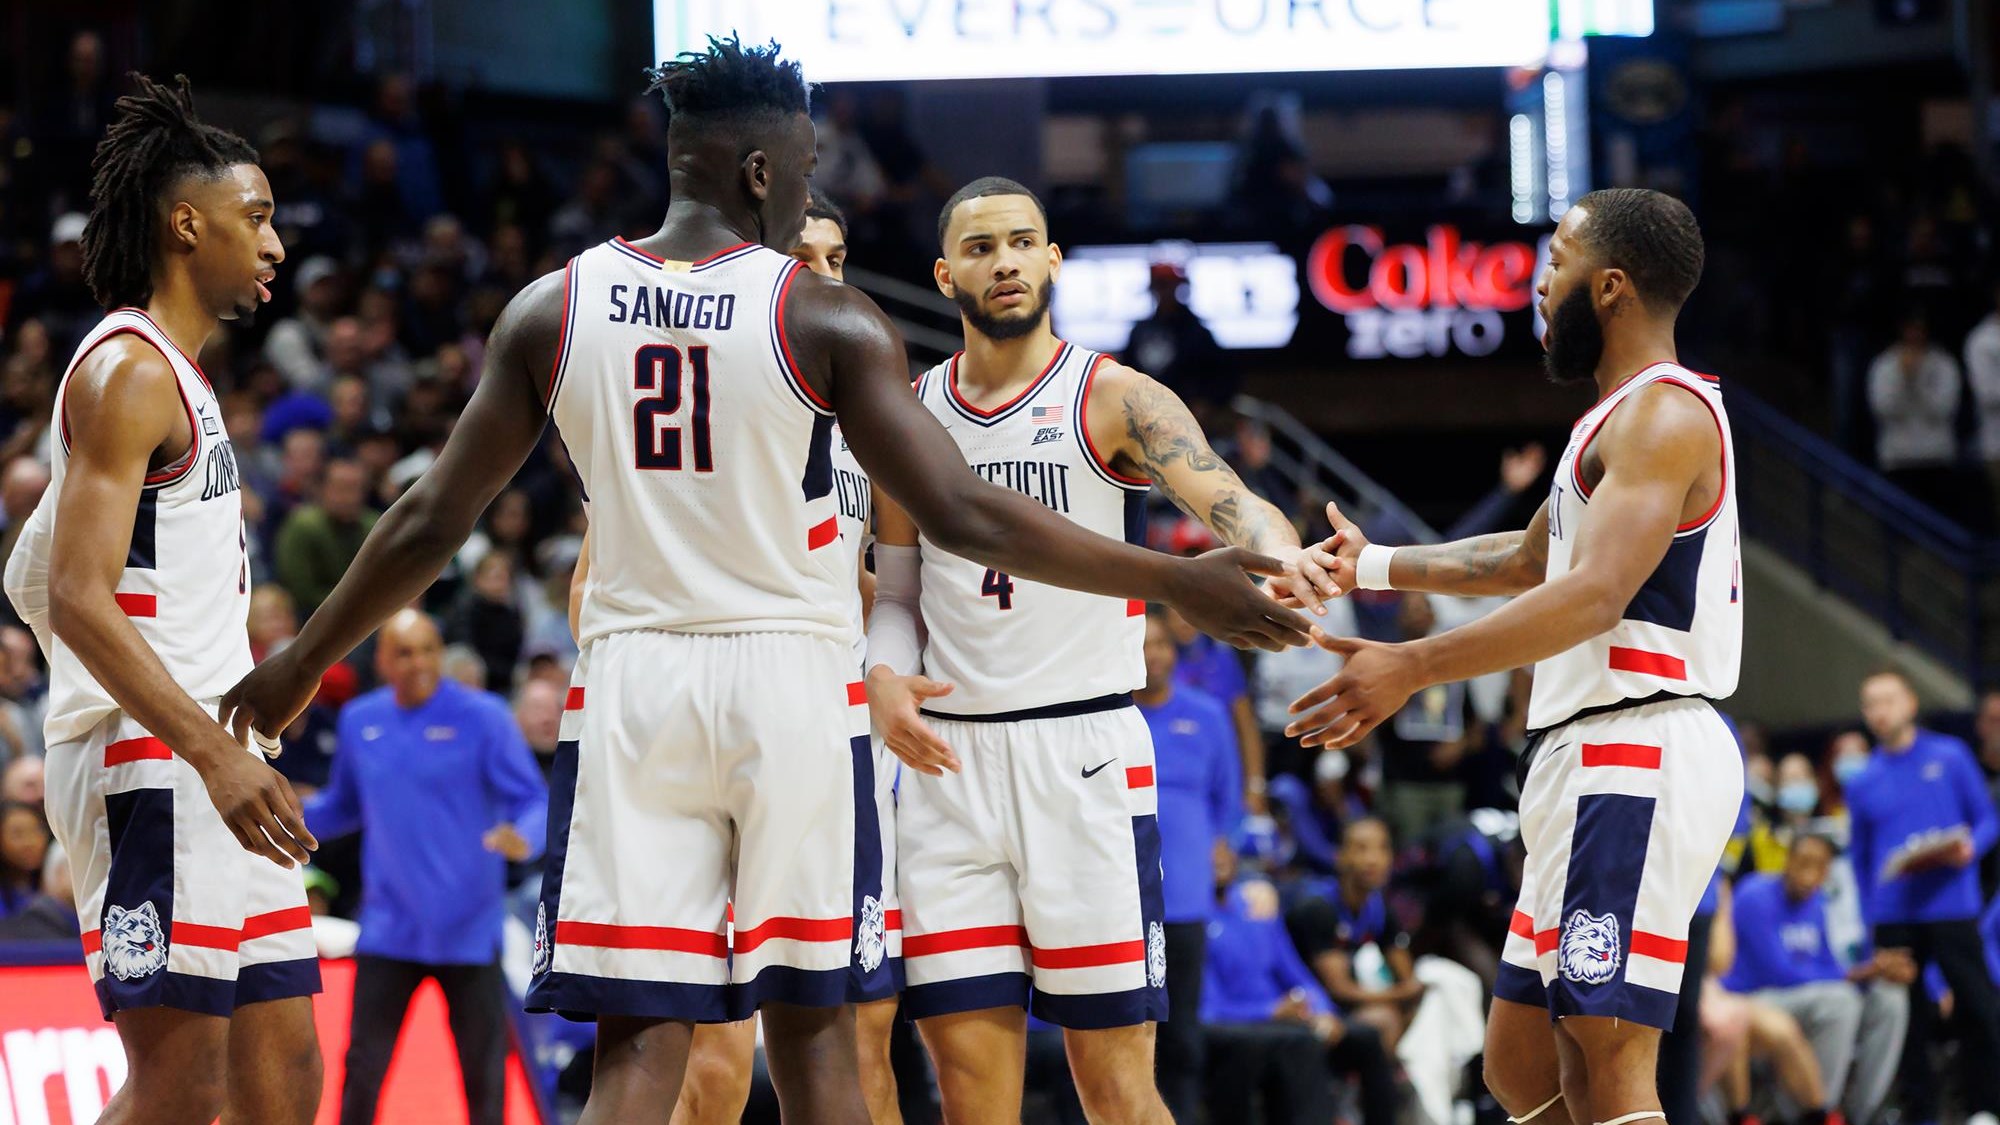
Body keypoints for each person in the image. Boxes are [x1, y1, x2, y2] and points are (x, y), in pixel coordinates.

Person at [220, 38, 1308, 1125]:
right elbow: (963, 514)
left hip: (634, 685)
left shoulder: (552, 307)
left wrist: (301, 662)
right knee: (817, 1043)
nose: (806, 190)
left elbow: (426, 520)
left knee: (638, 1054)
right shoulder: (820, 315)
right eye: (800, 166)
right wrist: (1176, 580)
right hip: (790, 686)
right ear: (756, 172)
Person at [862, 174, 1335, 1125]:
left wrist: (1288, 557)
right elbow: (900, 591)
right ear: (945, 272)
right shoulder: (905, 416)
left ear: (1052, 260)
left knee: (1116, 1088)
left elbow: (1228, 499)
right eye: (982, 247)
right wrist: (881, 673)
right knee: (969, 1095)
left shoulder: (1115, 396)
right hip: (949, 768)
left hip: (1081, 756)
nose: (1004, 262)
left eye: (1021, 242)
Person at [1293, 188, 1742, 1125]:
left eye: (1557, 262)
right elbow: (1533, 558)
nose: (1541, 285)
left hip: (1639, 750)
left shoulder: (1665, 415)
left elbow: (1591, 594)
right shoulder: (1611, 420)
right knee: (1521, 1062)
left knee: (1612, 1066)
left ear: (1611, 286)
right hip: (1582, 755)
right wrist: (1368, 564)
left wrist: (1413, 664)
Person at [2, 73, 323, 1125]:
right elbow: (72, 594)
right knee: (182, 1095)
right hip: (159, 764)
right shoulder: (127, 372)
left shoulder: (176, 377)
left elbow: (28, 570)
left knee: (282, 1086)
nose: (275, 245)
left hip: (208, 750)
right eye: (257, 216)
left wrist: (243, 702)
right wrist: (209, 745)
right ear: (187, 223)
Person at [303, 609, 546, 1125]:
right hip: (390, 929)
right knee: (362, 1071)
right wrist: (282, 819)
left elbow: (533, 800)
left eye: (429, 649)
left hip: (469, 930)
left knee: (484, 1080)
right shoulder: (359, 721)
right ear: (383, 661)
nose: (419, 662)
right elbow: (342, 807)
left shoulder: (483, 717)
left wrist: (523, 837)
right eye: (405, 652)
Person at [1846, 667, 2000, 1121]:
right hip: (1894, 913)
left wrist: (1969, 851)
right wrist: (1867, 918)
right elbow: (1859, 859)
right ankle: (1921, 1113)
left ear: (1910, 703)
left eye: (1888, 700)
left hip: (1952, 906)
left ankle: (1985, 1108)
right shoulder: (1863, 779)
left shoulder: (1949, 756)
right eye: (1870, 703)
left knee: (1979, 1008)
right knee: (1906, 1020)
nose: (1880, 711)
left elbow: (1987, 819)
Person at [1201, 843, 1398, 1125]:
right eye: (1209, 849)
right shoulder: (1191, 923)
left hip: (1285, 1019)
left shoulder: (1255, 906)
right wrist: (1270, 1011)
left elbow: (1297, 973)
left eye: (1223, 849)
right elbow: (1209, 1010)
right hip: (1239, 1024)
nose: (1217, 856)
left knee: (1365, 1036)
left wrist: (1321, 1009)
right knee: (1300, 1041)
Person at [1722, 832, 1910, 1125]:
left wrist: (1874, 973)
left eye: (1819, 866)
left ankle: (1861, 1113)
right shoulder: (1754, 894)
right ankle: (1818, 1112)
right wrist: (1857, 974)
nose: (1809, 873)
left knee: (1889, 999)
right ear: (1787, 860)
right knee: (1841, 1001)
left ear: (1826, 873)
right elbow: (1777, 970)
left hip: (1803, 997)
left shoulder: (1817, 904)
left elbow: (1827, 964)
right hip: (1755, 996)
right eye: (1803, 862)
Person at [1135, 606, 1241, 1122]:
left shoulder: (1208, 715)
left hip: (1185, 897)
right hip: (1122, 900)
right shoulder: (1108, 718)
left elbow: (1231, 800)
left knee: (1182, 1038)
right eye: (1142, 643)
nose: (1153, 654)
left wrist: (1226, 848)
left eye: (1162, 644)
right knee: (1122, 1029)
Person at [1287, 817, 1423, 1053]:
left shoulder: (1379, 907)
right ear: (1340, 856)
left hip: (1347, 1002)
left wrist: (1407, 992)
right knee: (1384, 1018)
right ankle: (1374, 1084)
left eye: (1383, 849)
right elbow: (1339, 990)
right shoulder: (1318, 907)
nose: (1373, 859)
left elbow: (1406, 975)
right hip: (1304, 1004)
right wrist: (1400, 994)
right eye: (1361, 849)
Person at [1867, 310, 1961, 512]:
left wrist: (1917, 381)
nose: (1914, 335)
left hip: (1936, 455)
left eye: (1919, 329)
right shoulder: (1885, 364)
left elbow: (1944, 409)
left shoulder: (1944, 363)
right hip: (1898, 457)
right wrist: (1905, 378)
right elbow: (1884, 409)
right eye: (1910, 329)